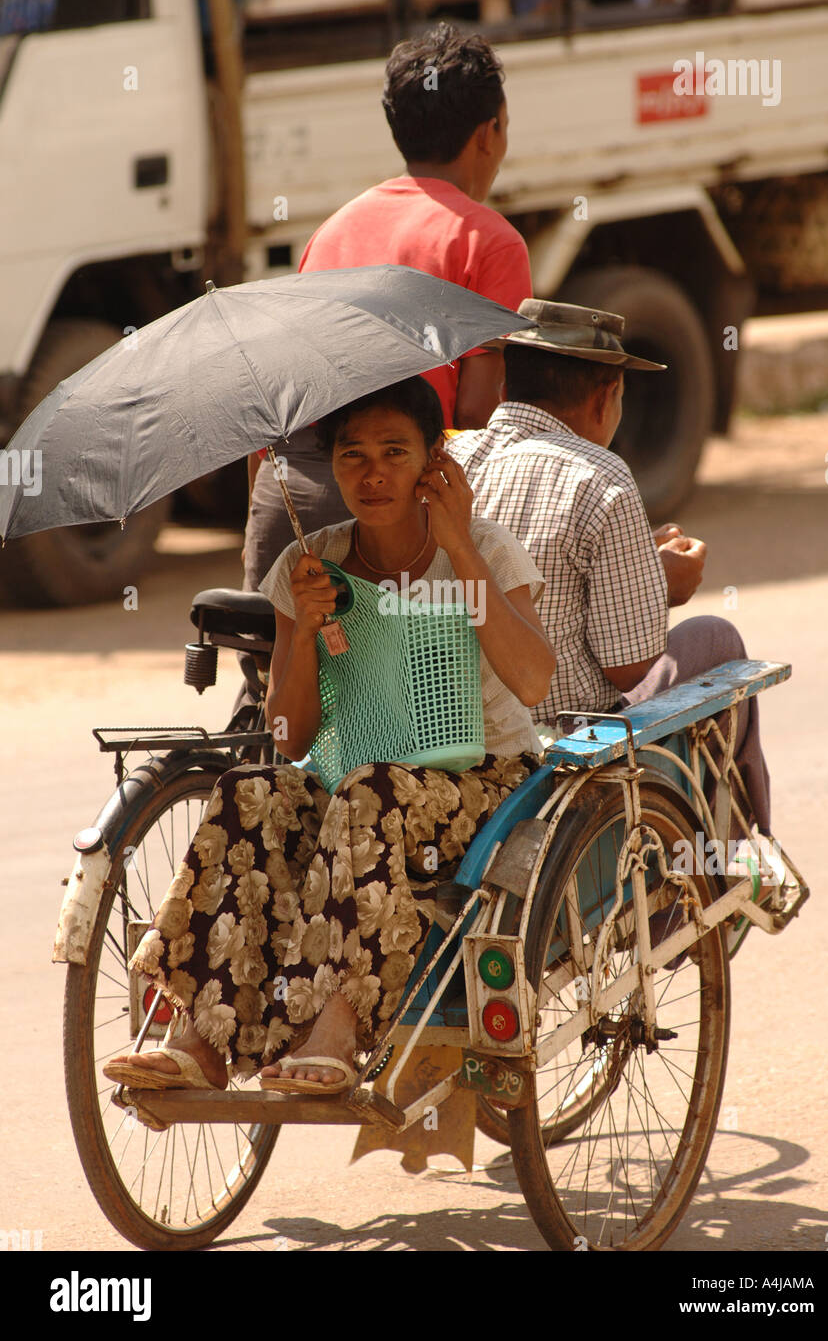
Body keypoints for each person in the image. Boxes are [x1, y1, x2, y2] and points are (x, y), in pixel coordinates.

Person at [105, 376, 554, 1095]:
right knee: (252, 793)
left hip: (486, 786)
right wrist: (305, 630)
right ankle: (200, 1037)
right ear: (331, 466)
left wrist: (460, 546)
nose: (372, 473)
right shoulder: (309, 564)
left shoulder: (488, 551)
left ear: (434, 461)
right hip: (354, 781)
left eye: (394, 452)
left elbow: (534, 682)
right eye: (352, 455)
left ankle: (339, 1027)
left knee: (368, 790)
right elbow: (288, 736)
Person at [450, 298, 772, 838]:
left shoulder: (453, 460)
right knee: (718, 637)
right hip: (562, 731)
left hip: (457, 718)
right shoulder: (599, 475)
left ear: (505, 388)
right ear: (607, 398)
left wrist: (637, 565)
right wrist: (661, 585)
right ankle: (741, 846)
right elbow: (630, 669)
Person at [241, 22, 532, 617]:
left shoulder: (336, 228)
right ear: (491, 131)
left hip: (284, 500)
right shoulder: (491, 242)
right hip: (385, 511)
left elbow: (278, 391)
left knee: (279, 688)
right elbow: (476, 420)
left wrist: (269, 513)